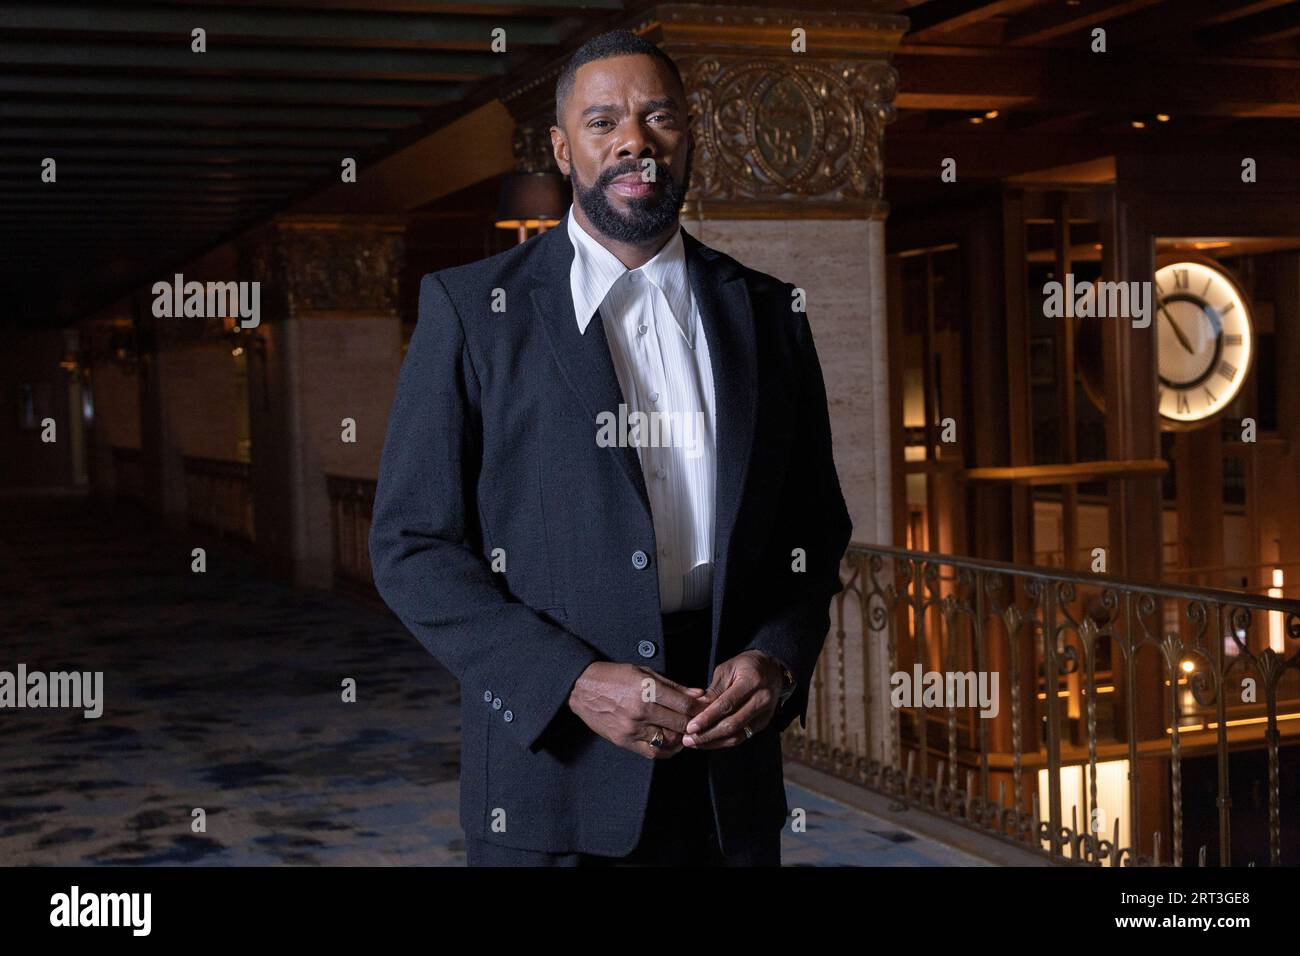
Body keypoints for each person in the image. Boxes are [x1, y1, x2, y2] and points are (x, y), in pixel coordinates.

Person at [369, 28, 852, 866]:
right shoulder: (469, 311)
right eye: (603, 122)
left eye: (658, 116)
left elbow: (814, 529)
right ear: (563, 149)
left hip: (725, 775)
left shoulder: (772, 313)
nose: (635, 139)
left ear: (688, 135)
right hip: (550, 775)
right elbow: (411, 546)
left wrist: (777, 656)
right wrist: (569, 683)